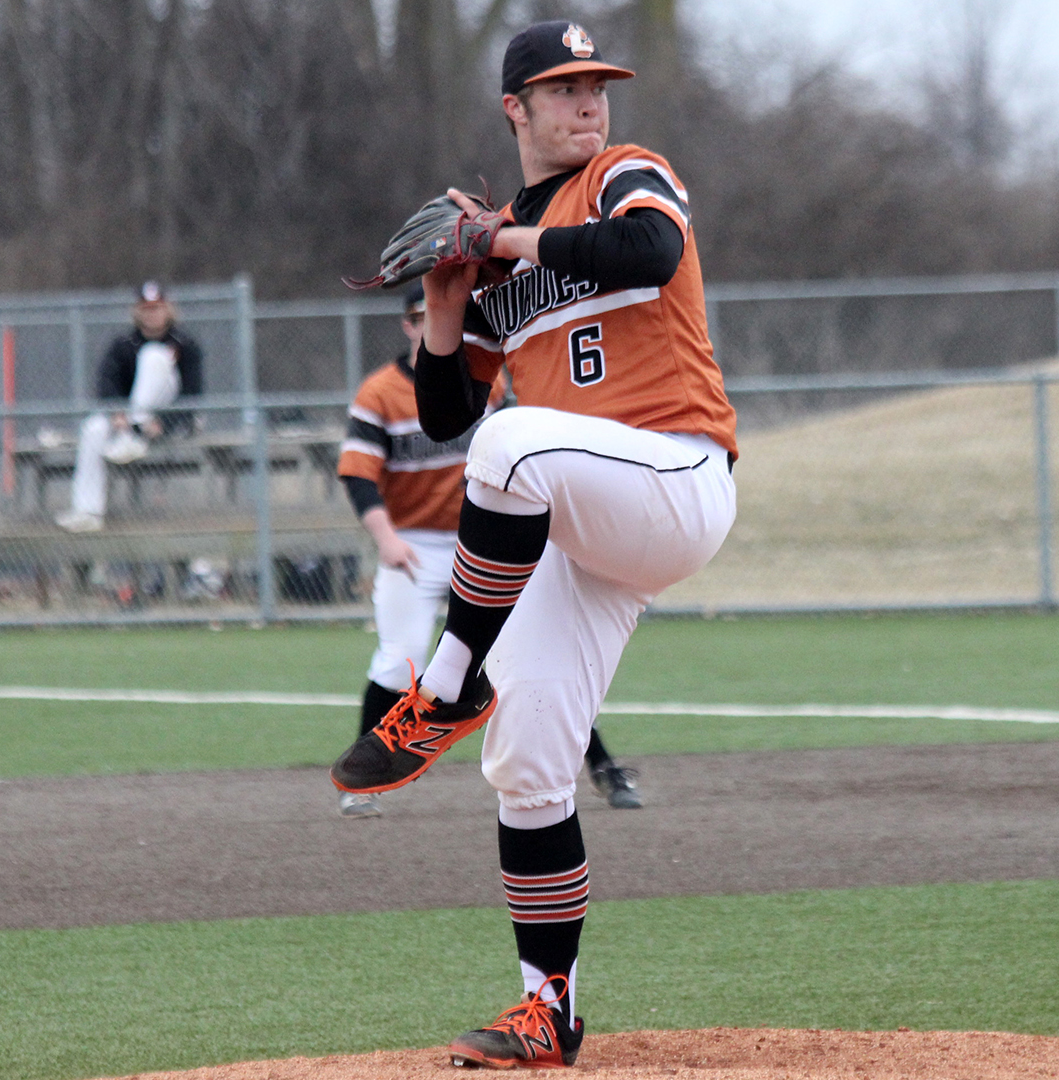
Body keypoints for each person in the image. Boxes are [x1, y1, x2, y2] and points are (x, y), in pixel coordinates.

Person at [330, 21, 738, 1068]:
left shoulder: (623, 174)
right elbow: (444, 411)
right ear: (515, 108)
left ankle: (449, 680)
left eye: (595, 85)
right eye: (561, 89)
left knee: (515, 445)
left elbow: (650, 249)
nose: (586, 102)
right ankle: (548, 1009)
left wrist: (498, 244)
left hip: (677, 476)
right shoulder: (489, 253)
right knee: (528, 766)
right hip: (585, 523)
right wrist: (444, 298)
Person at [334, 285, 644, 820]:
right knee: (400, 659)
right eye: (417, 316)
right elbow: (359, 477)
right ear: (408, 326)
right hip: (415, 543)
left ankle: (603, 767)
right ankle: (363, 781)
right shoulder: (380, 392)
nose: (426, 323)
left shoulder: (487, 382)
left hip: (486, 542)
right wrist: (385, 538)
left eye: (432, 313)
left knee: (530, 657)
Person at [55, 282, 204, 532]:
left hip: (166, 416)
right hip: (125, 421)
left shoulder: (184, 344)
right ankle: (87, 511)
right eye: (146, 309)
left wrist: (164, 423)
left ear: (168, 310)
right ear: (137, 312)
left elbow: (192, 396)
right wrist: (117, 413)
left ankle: (135, 431)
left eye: (157, 308)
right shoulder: (124, 344)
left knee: (155, 356)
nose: (152, 314)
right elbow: (106, 383)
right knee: (93, 428)